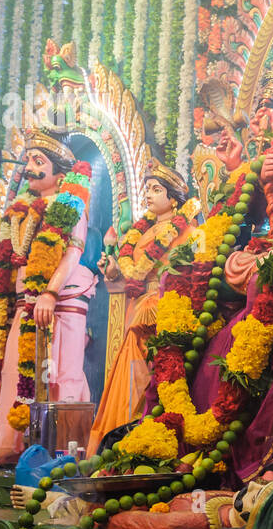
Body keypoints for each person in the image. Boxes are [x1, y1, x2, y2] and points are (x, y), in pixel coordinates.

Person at [0, 132, 98, 464]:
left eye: (39, 162)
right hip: (24, 302)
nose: (30, 168)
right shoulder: (19, 211)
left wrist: (49, 292)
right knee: (13, 372)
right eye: (29, 161)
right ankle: (11, 447)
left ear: (60, 176)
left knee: (60, 374)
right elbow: (10, 258)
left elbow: (72, 254)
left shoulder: (70, 206)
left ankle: (62, 452)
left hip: (60, 304)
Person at [85, 160, 198, 455]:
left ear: (173, 199)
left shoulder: (187, 231)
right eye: (147, 188)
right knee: (130, 374)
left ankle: (143, 441)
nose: (148, 194)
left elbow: (192, 271)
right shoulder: (142, 231)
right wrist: (111, 270)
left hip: (164, 311)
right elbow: (131, 272)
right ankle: (119, 440)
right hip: (136, 308)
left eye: (156, 189)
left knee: (148, 377)